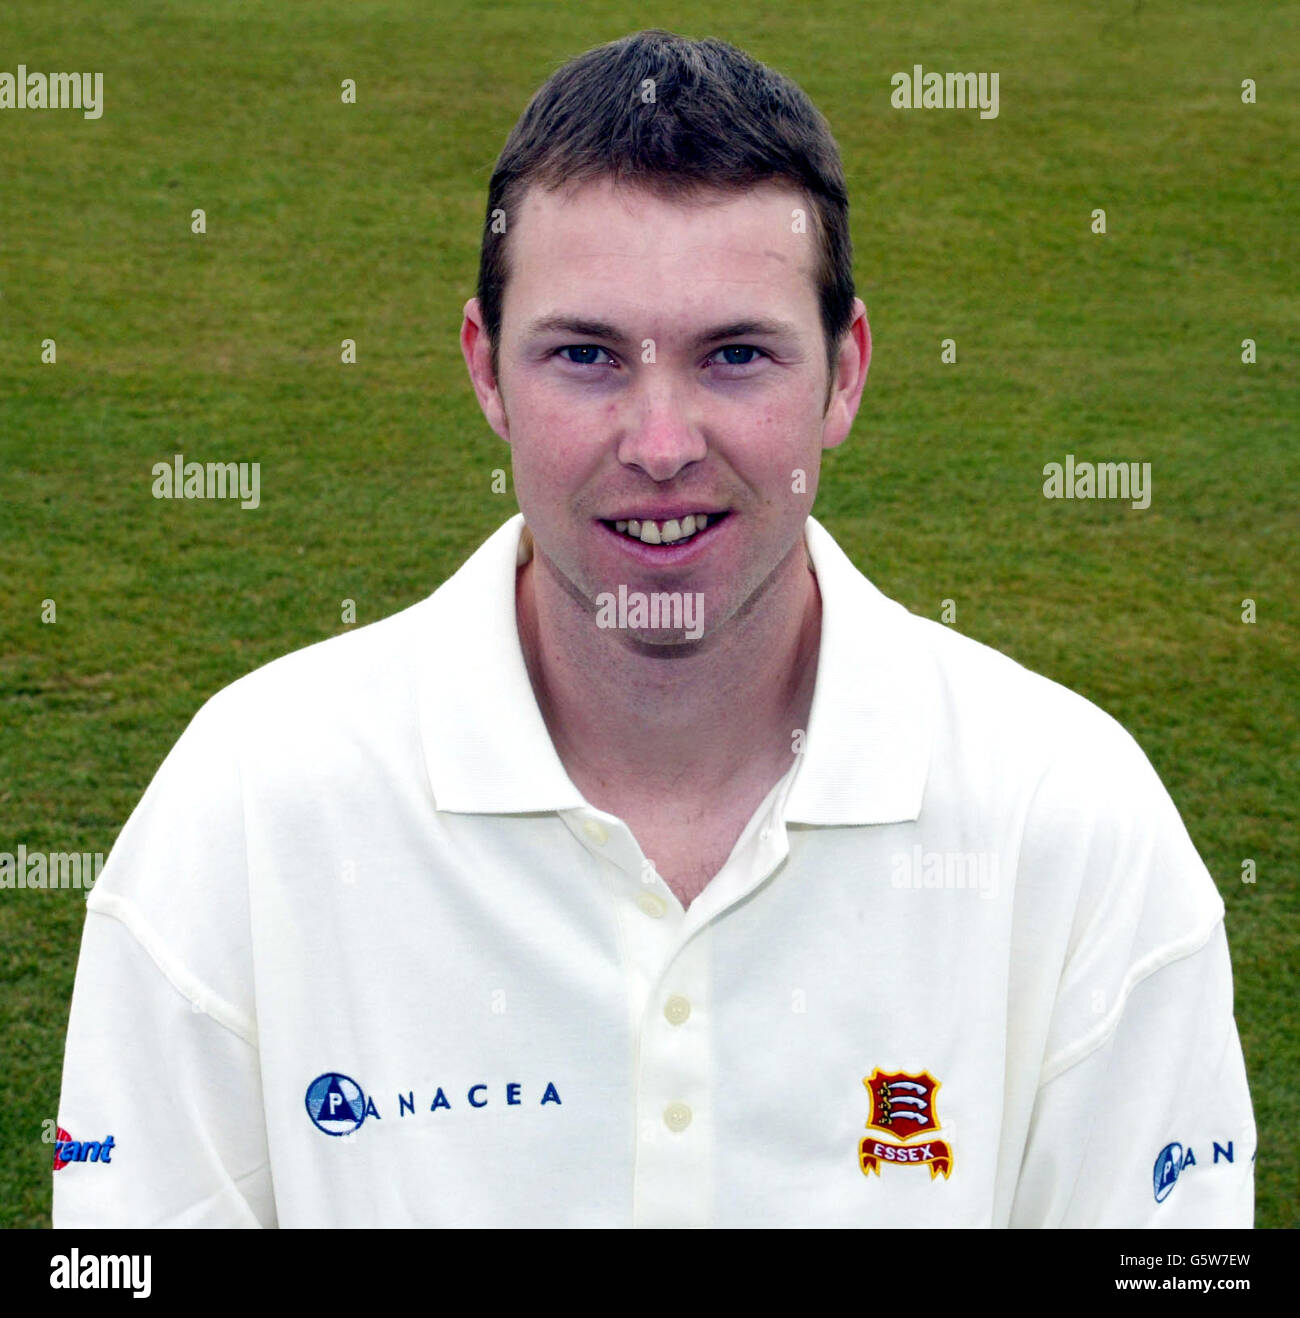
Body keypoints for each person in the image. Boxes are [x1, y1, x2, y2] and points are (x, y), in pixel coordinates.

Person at [54, 29, 1254, 1228]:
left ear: (844, 374)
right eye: (584, 355)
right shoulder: (251, 801)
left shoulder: (1071, 817)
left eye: (735, 356)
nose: (662, 443)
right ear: (486, 373)